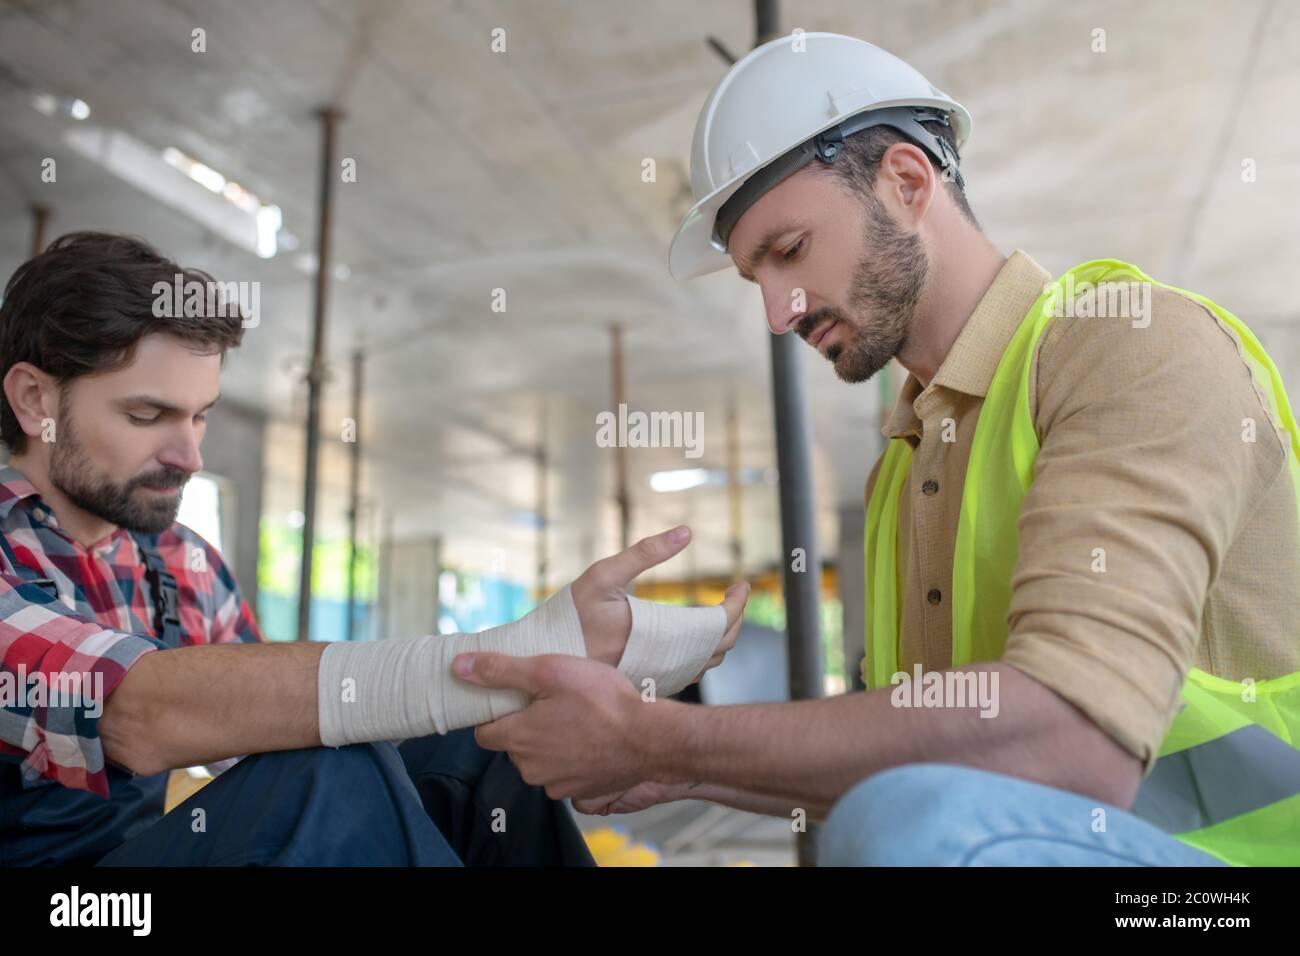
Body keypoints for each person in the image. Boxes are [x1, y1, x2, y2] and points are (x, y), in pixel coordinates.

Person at [452, 32, 1300, 866]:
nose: (778, 313)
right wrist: (668, 771)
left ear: (904, 181)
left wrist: (659, 740)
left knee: (902, 823)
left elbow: (1075, 742)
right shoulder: (901, 471)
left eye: (788, 252)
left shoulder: (1131, 348)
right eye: (758, 279)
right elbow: (927, 758)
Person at [0, 231, 747, 866]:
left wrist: (540, 678)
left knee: (475, 745)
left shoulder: (179, 562)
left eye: (200, 417)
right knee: (325, 780)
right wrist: (519, 648)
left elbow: (264, 721)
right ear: (36, 401)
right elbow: (142, 712)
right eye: (147, 414)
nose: (189, 454)